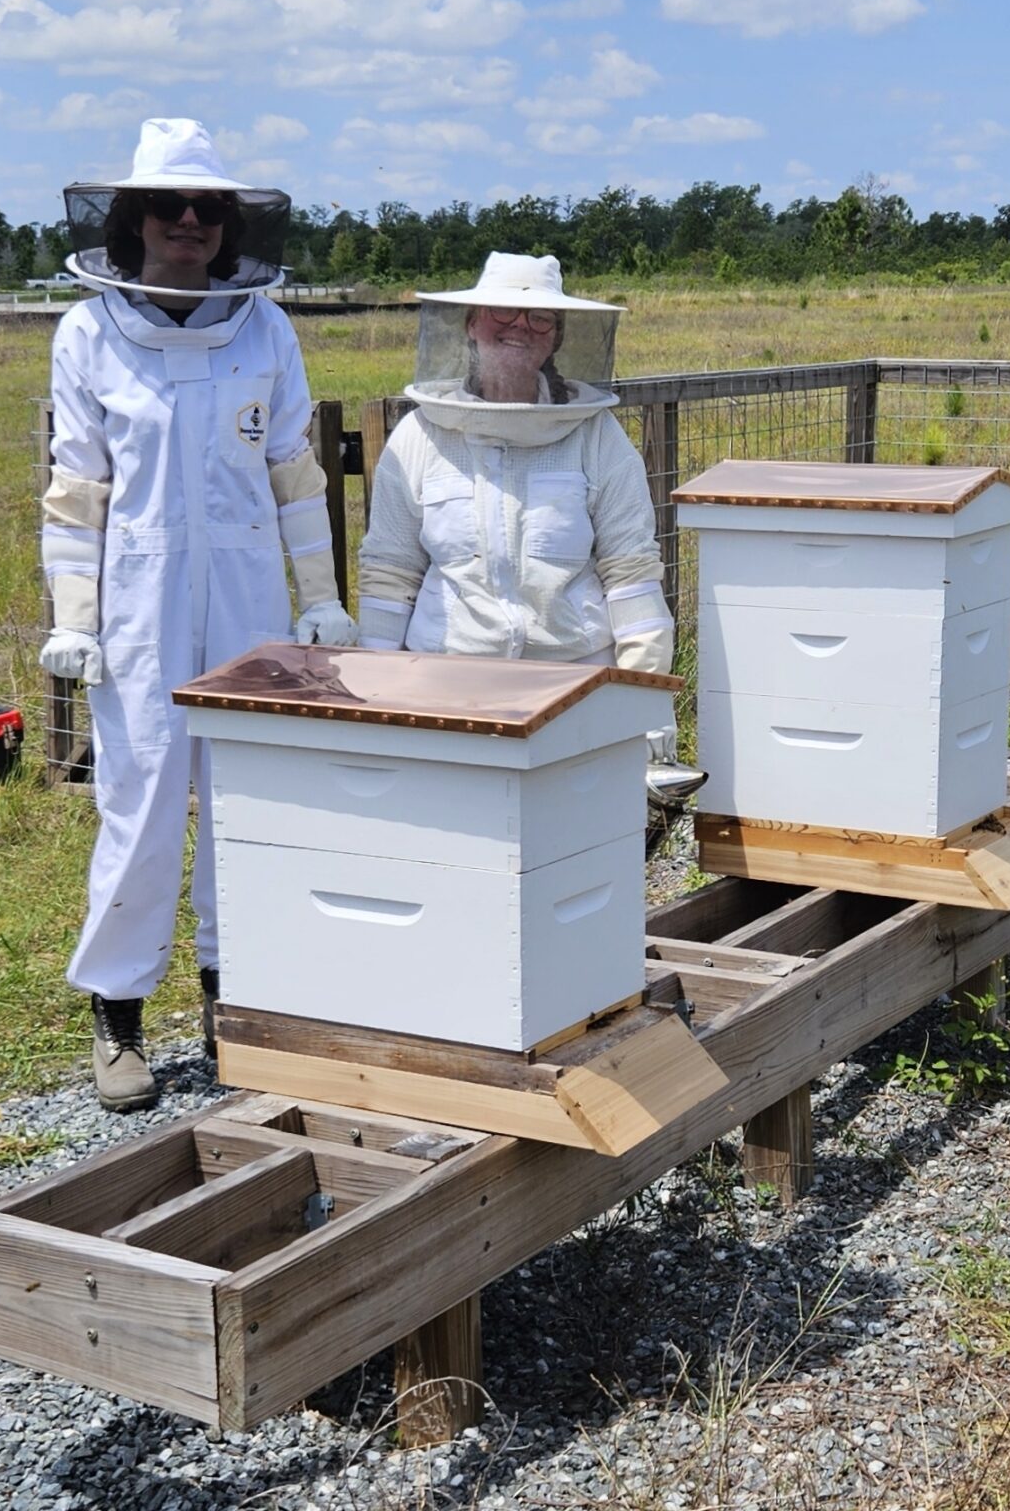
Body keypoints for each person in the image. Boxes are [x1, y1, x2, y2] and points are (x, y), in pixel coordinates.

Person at [39, 118, 357, 1111]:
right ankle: (118, 1017)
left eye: (206, 210)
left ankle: (239, 1005)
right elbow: (77, 488)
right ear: (133, 220)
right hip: (136, 602)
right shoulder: (88, 332)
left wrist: (324, 601)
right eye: (169, 208)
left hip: (250, 598)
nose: (187, 223)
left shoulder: (265, 328)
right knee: (136, 804)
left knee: (247, 801)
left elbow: (294, 474)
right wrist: (77, 615)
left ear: (228, 226)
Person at [356, 252, 676, 685]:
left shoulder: (596, 434)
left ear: (555, 337)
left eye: (541, 317)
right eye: (502, 310)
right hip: (445, 677)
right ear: (471, 323)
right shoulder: (420, 436)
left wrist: (645, 701)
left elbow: (630, 570)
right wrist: (375, 688)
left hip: (573, 677)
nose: (521, 325)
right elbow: (390, 573)